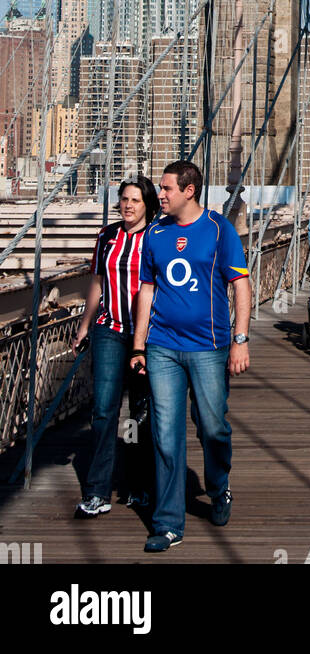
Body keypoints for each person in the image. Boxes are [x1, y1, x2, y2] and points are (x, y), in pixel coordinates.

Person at [130, 160, 251, 553]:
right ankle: (168, 524)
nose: (159, 195)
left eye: (166, 188)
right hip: (163, 346)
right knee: (165, 434)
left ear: (189, 191)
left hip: (209, 347)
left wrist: (241, 339)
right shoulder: (155, 233)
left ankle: (218, 487)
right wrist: (138, 345)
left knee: (213, 425)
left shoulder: (219, 230)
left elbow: (241, 286)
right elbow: (147, 290)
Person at [74, 176, 160, 517]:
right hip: (109, 329)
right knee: (105, 410)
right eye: (124, 199)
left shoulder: (156, 236)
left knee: (140, 413)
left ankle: (137, 487)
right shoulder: (107, 236)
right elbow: (97, 282)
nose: (128, 205)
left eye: (135, 200)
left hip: (147, 335)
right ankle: (97, 491)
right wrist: (84, 325)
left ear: (147, 205)